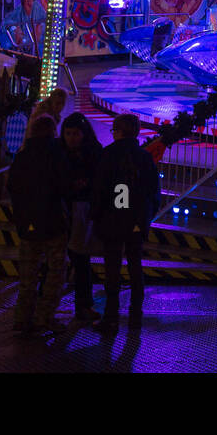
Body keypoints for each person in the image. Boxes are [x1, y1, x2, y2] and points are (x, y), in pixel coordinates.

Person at [90, 114, 160, 331]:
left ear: (117, 131)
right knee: (135, 266)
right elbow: (153, 193)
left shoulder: (108, 155)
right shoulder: (145, 158)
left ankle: (110, 318)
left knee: (112, 269)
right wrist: (146, 217)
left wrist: (96, 215)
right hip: (136, 220)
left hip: (112, 219)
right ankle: (135, 316)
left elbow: (99, 189)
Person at [8, 114, 70, 334]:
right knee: (54, 274)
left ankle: (21, 319)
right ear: (53, 132)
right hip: (53, 223)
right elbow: (65, 187)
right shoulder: (57, 155)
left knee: (28, 275)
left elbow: (12, 188)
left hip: (27, 224)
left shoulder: (21, 157)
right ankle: (44, 317)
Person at [60, 112, 104, 322]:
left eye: (75, 134)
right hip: (66, 209)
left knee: (80, 258)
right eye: (68, 134)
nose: (71, 138)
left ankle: (83, 305)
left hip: (81, 210)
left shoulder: (92, 154)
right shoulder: (61, 153)